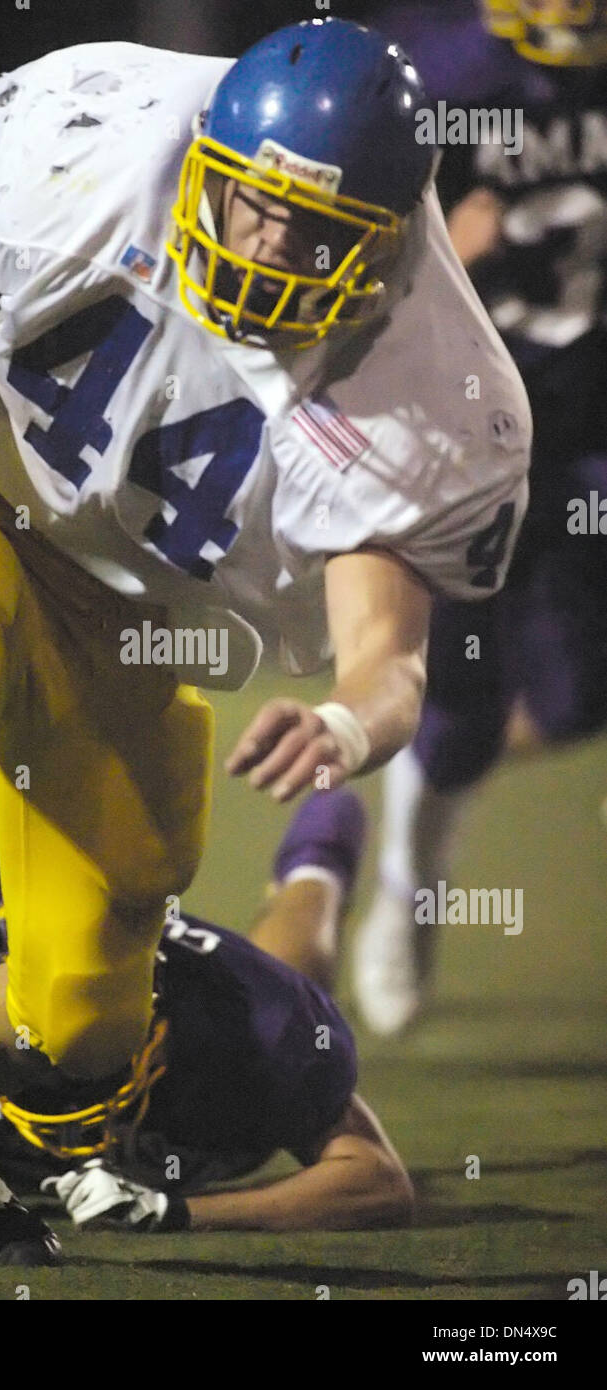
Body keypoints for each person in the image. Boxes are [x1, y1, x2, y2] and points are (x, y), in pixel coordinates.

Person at [0, 18, 529, 1297]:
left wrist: (346, 725)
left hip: (130, 625)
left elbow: (387, 657)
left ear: (396, 233)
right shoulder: (111, 135)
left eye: (320, 228)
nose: (274, 247)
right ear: (204, 162)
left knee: (79, 1018)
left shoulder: (430, 387)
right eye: (254, 205)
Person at [264, 0, 607, 1035]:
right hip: (461, 425)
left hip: (589, 416)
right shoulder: (435, 71)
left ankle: (412, 844)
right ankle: (413, 879)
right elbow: (335, 245)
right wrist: (441, 244)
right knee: (459, 692)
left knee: (583, 688)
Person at [0, 792, 413, 1239]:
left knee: (293, 966)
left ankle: (318, 857)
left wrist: (178, 1211)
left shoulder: (253, 1026)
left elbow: (377, 1179)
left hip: (194, 986)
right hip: (8, 1012)